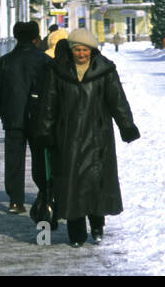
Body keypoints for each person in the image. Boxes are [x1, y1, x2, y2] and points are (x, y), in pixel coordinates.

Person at [35, 27, 140, 247]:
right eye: (77, 50)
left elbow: (117, 100)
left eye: (85, 49)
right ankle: (76, 233)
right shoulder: (58, 71)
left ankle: (97, 225)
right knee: (71, 184)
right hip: (68, 137)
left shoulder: (105, 70)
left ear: (92, 49)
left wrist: (126, 125)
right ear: (71, 50)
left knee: (96, 183)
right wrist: (45, 130)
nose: (81, 54)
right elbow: (49, 104)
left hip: (97, 137)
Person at [0, 21, 49, 214]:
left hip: (13, 119)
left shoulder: (5, 61)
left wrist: (4, 113)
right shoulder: (44, 60)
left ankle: (15, 201)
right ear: (35, 38)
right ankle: (45, 195)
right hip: (39, 119)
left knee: (14, 160)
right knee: (40, 158)